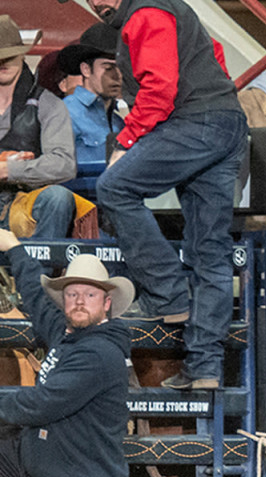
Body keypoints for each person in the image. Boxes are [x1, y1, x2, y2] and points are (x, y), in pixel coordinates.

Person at [73, 0, 249, 390]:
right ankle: (205, 368)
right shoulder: (169, 10)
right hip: (226, 121)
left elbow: (160, 90)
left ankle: (169, 294)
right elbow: (214, 54)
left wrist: (126, 139)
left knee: (114, 186)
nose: (98, 2)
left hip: (196, 121)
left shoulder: (145, 14)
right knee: (211, 249)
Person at [0, 227, 134, 477]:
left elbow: (41, 405)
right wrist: (15, 250)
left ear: (106, 303)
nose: (79, 301)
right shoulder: (67, 335)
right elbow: (39, 303)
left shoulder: (99, 353)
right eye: (73, 293)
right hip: (41, 469)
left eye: (89, 295)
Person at [0, 15, 80, 239]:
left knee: (57, 198)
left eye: (9, 56)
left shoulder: (48, 104)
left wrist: (7, 170)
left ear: (21, 54)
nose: (3, 63)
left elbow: (63, 164)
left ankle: (39, 273)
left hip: (21, 203)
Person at [60, 22, 125, 166]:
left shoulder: (119, 122)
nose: (117, 76)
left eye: (121, 67)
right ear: (86, 69)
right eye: (108, 68)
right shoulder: (64, 113)